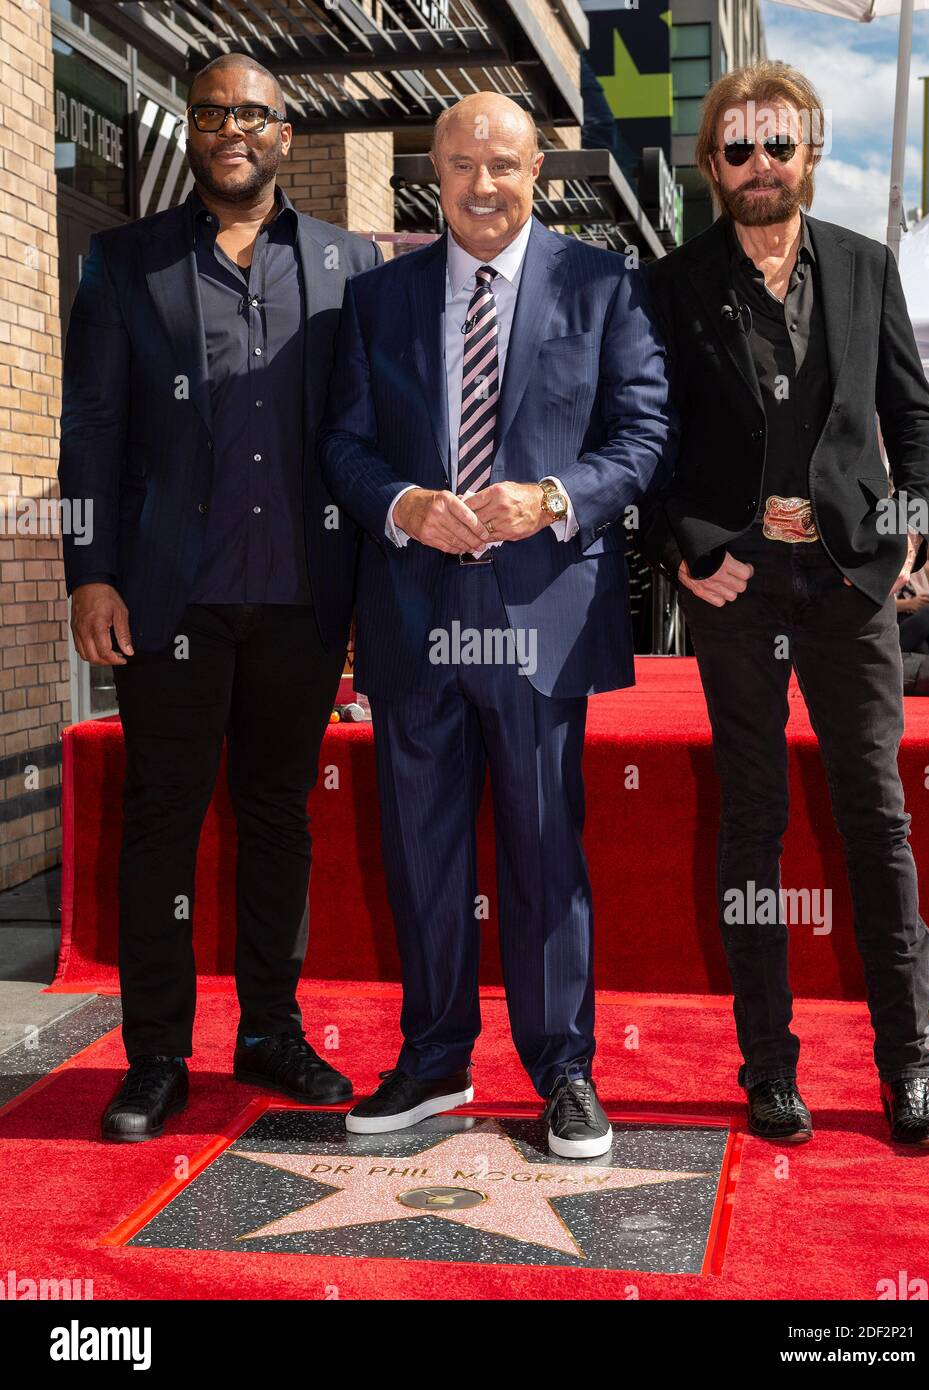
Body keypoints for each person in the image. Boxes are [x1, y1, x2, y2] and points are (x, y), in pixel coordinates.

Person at [319, 91, 674, 1158]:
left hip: (540, 620)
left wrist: (553, 497)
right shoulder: (377, 297)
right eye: (462, 164)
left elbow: (642, 435)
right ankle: (433, 1057)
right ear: (433, 171)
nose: (482, 185)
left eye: (504, 165)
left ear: (537, 174)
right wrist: (402, 504)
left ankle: (562, 1067)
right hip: (414, 616)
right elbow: (342, 444)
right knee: (421, 851)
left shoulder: (603, 283)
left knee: (542, 848)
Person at [59, 54, 380, 1143]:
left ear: (285, 132)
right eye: (209, 113)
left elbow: (365, 430)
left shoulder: (347, 262)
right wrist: (91, 570)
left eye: (251, 114)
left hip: (301, 596)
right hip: (167, 599)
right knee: (161, 818)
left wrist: (373, 587)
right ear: (188, 129)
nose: (229, 129)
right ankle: (155, 1054)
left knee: (278, 815)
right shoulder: (124, 260)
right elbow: (92, 426)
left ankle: (270, 1031)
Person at [643, 61, 929, 1148]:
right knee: (752, 820)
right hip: (735, 588)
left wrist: (911, 520)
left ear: (808, 153)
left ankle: (906, 1067)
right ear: (711, 163)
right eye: (738, 146)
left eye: (778, 143)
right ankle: (767, 1067)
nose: (760, 163)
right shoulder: (671, 284)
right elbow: (647, 438)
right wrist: (686, 547)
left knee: (876, 817)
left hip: (849, 584)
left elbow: (913, 418)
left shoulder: (865, 266)